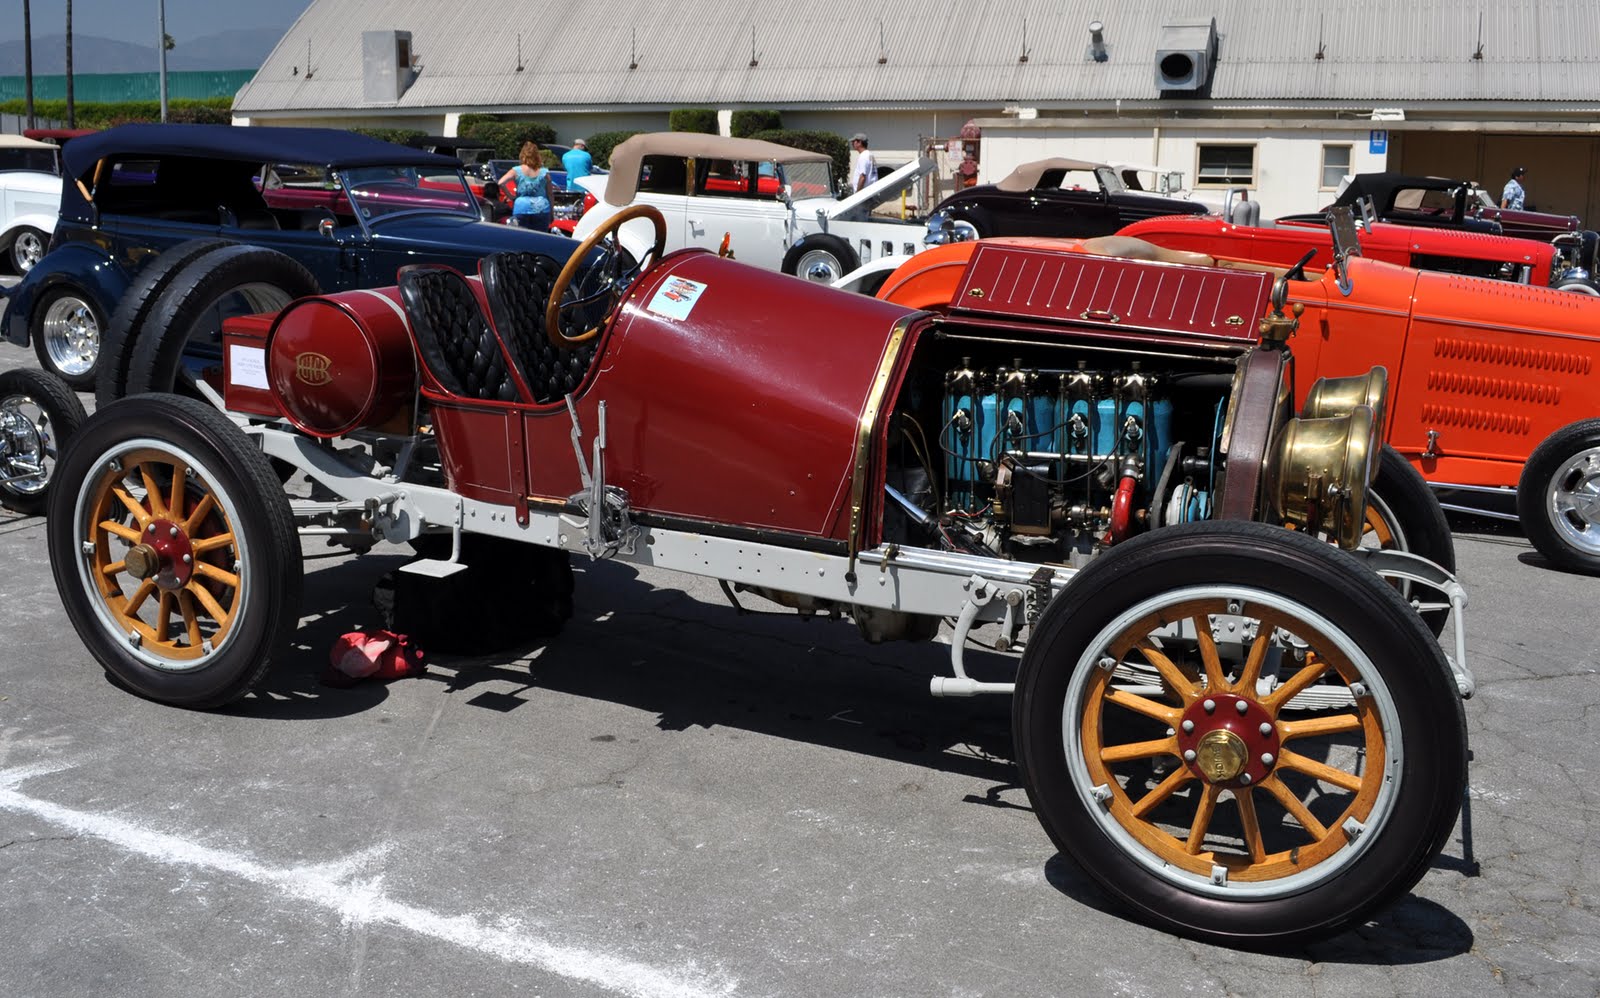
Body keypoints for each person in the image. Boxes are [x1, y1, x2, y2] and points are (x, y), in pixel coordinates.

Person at [498, 141, 553, 230]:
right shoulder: (544, 172)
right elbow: (550, 193)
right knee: (540, 237)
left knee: (522, 237)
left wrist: (511, 196)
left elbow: (501, 182)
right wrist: (552, 212)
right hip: (541, 208)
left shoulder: (516, 170)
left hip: (521, 207)